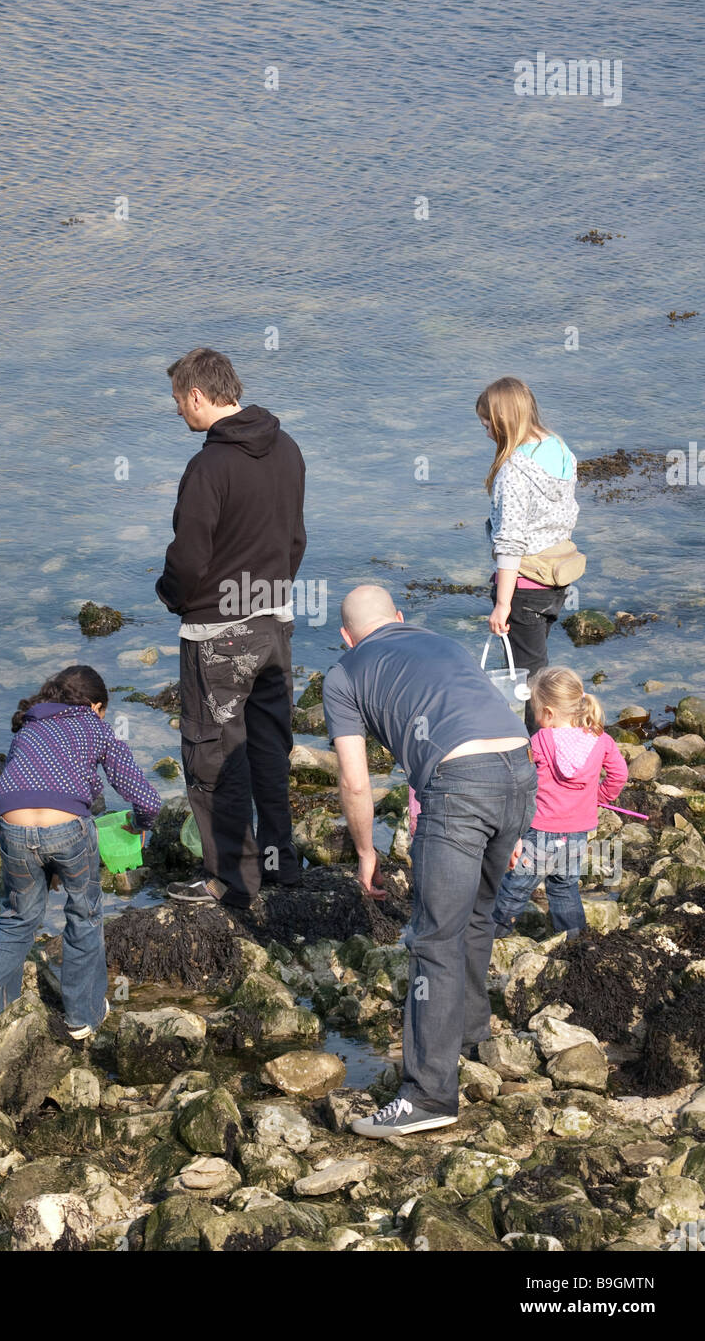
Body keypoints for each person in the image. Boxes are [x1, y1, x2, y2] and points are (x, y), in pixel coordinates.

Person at [321, 586, 537, 1137]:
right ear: (400, 618)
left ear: (345, 637)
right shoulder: (443, 642)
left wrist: (366, 852)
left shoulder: (344, 674)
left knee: (432, 938)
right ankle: (469, 1034)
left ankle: (428, 1095)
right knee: (477, 915)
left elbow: (354, 779)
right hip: (517, 766)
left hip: (459, 784)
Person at [155, 348, 306, 910]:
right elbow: (295, 539)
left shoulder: (208, 467)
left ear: (197, 395)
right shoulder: (288, 449)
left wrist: (173, 595)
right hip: (274, 620)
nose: (177, 412)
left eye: (177, 401)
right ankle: (280, 861)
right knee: (269, 744)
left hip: (217, 631)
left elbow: (190, 557)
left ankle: (232, 881)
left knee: (212, 751)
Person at [0, 666, 161, 1043]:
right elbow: (145, 797)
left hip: (11, 825)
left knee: (18, 916)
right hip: (68, 830)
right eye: (103, 710)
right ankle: (81, 1016)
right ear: (96, 705)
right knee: (84, 916)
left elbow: (34, 786)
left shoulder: (30, 724)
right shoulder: (94, 724)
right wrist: (141, 822)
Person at [478, 376, 584, 732]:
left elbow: (510, 544)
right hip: (557, 578)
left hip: (523, 587)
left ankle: (536, 752)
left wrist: (502, 604)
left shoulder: (513, 472)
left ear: (504, 420)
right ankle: (551, 738)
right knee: (537, 666)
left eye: (488, 424)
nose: (487, 432)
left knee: (526, 681)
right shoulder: (560, 449)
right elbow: (566, 513)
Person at [493, 667, 627, 938]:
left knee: (516, 886)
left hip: (540, 832)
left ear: (550, 713)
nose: (534, 715)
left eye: (536, 709)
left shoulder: (542, 739)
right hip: (577, 834)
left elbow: (521, 779)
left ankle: (493, 933)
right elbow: (619, 774)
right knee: (564, 888)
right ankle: (575, 941)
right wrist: (598, 796)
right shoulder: (601, 739)